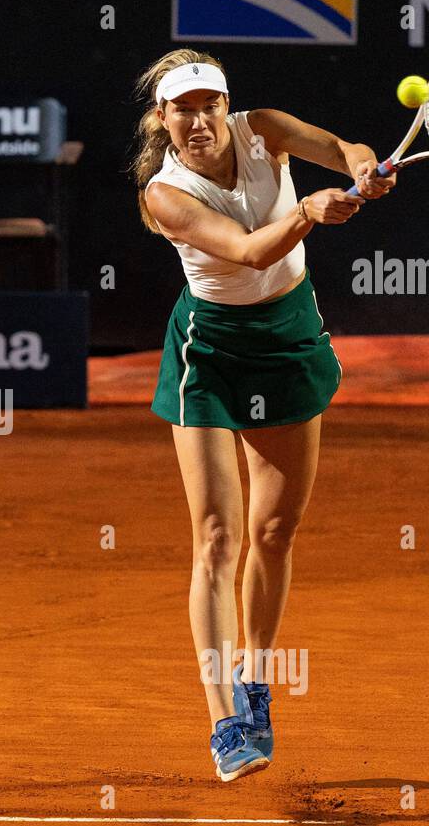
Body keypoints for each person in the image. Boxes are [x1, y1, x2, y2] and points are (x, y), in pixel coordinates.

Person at [129, 49, 395, 782]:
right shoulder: (165, 194)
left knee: (273, 532)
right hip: (210, 352)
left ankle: (254, 680)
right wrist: (310, 211)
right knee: (217, 535)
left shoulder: (265, 129)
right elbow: (246, 254)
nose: (199, 119)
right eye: (183, 108)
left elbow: (341, 148)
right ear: (164, 119)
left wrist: (363, 165)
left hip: (288, 340)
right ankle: (224, 723)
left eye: (210, 103)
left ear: (225, 106)